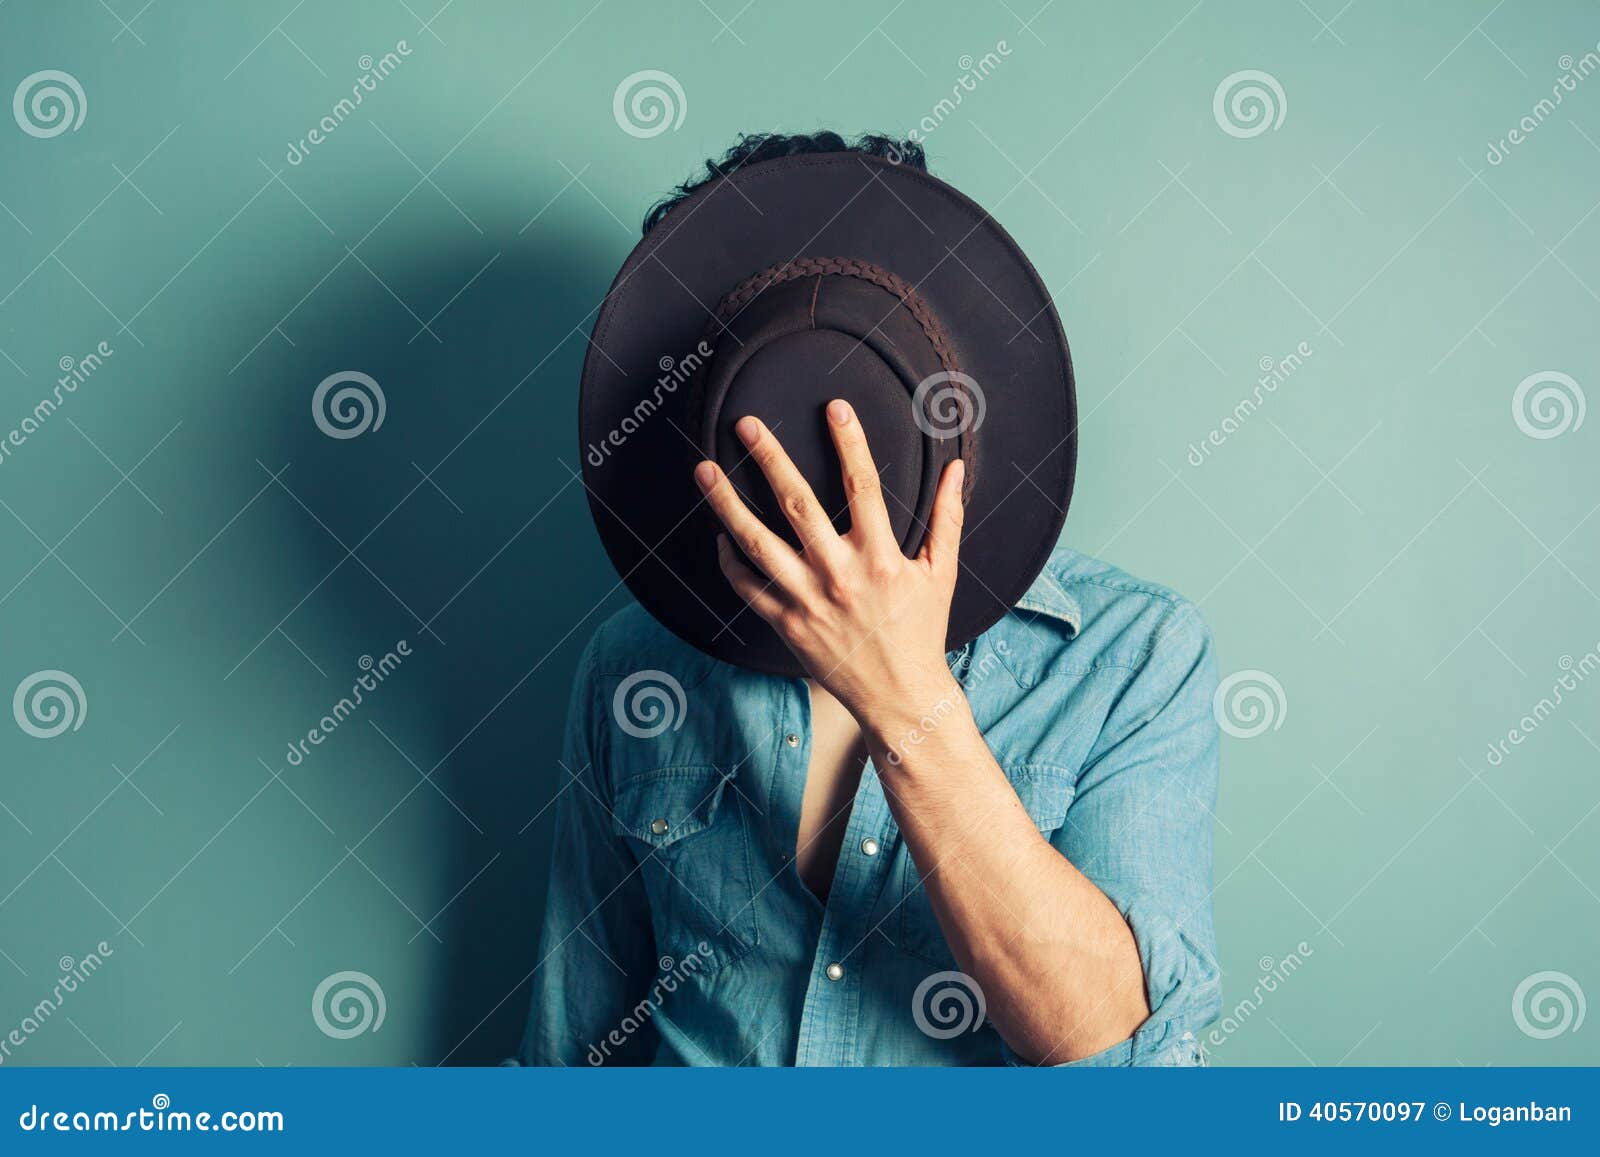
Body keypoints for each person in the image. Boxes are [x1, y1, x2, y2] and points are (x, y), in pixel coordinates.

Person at [512, 132, 1220, 1066]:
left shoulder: (1132, 656)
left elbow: (1123, 1059)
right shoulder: (635, 667)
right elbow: (571, 1059)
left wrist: (901, 690)